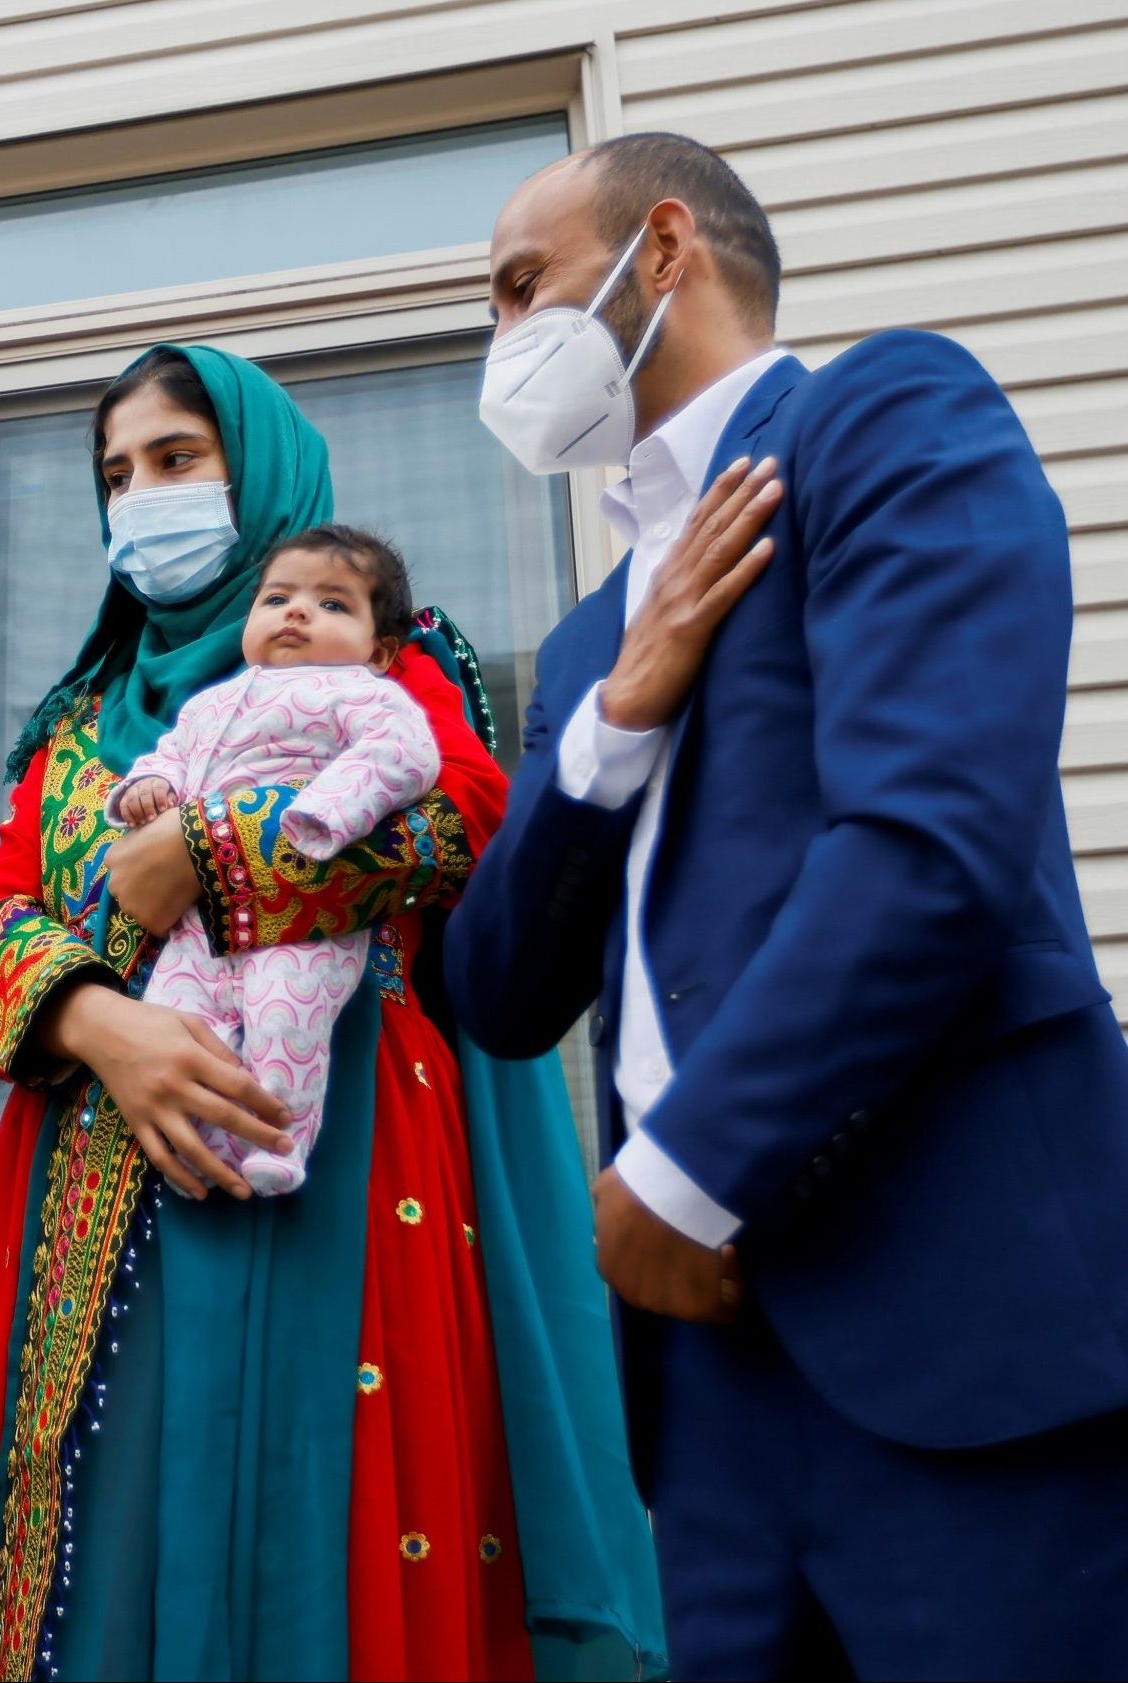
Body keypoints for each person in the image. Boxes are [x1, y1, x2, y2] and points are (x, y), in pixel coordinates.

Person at [447, 131, 1128, 1678]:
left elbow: (932, 840)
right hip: (704, 1398)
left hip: (958, 1318)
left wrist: (678, 1177)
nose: (501, 343)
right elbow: (491, 984)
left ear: (663, 248)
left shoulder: (890, 413)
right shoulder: (580, 644)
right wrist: (613, 721)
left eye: (519, 287)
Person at [0, 344, 663, 1681]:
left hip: (337, 1151)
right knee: (103, 1522)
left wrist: (212, 850)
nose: (142, 496)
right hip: (98, 1169)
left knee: (328, 1512)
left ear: (261, 475)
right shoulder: (76, 719)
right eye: (114, 474)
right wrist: (97, 1023)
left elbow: (460, 826)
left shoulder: (390, 654)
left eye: (177, 459)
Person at [106, 524, 441, 1194]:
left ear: (379, 650)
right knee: (176, 1017)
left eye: (332, 605)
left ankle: (281, 1141)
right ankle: (195, 1140)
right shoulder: (209, 704)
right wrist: (149, 788)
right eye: (277, 598)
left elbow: (404, 755)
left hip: (305, 916)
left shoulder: (367, 694)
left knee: (286, 1016)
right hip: (199, 919)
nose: (296, 611)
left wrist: (327, 809)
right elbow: (172, 758)